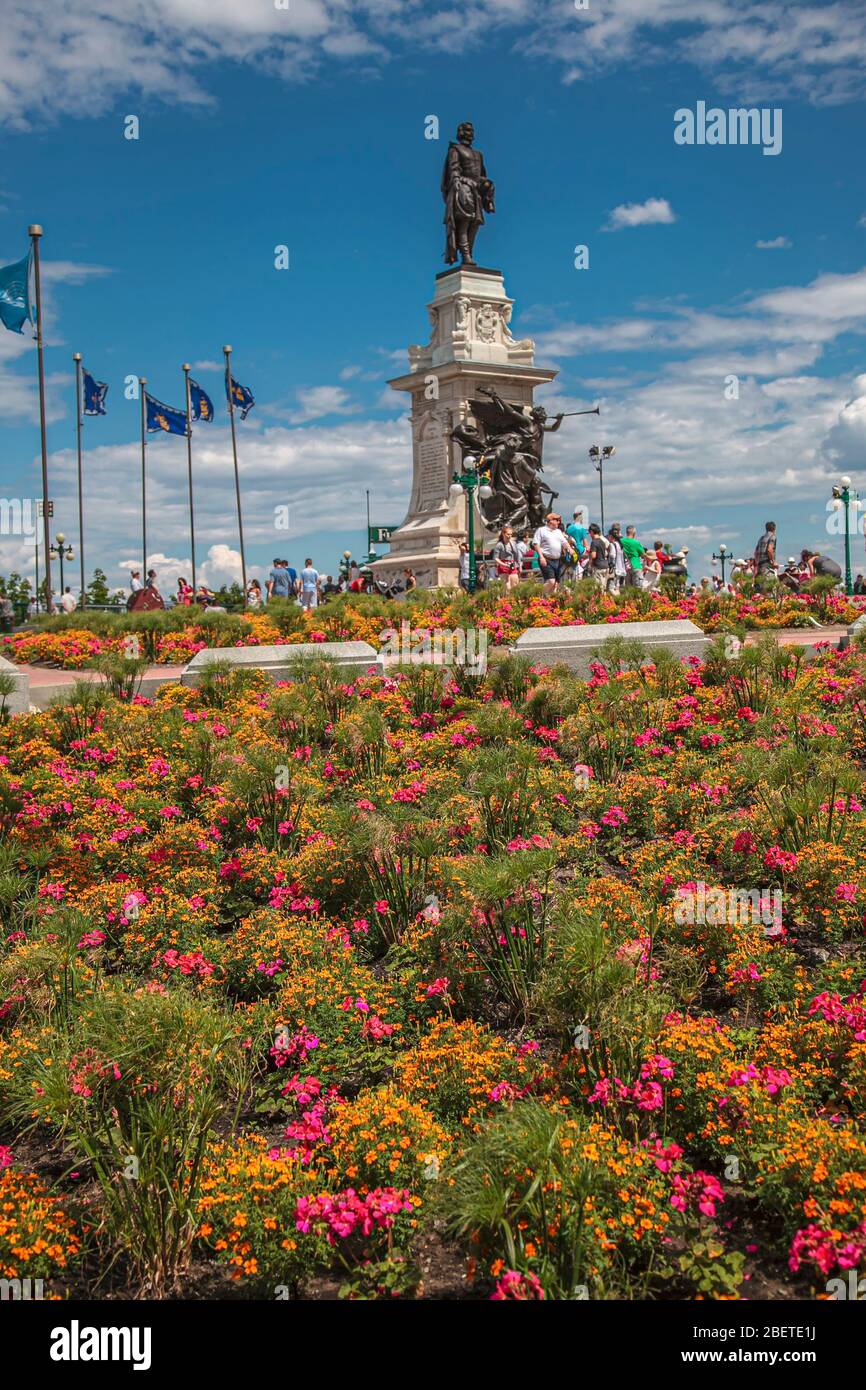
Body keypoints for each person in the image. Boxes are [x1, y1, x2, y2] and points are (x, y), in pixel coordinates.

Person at [531, 512, 574, 594]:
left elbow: (564, 542)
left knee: (555, 584)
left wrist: (569, 549)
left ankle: (549, 602)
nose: (559, 522)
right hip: (546, 559)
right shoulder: (541, 530)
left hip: (557, 561)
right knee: (551, 581)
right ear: (550, 521)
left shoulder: (558, 532)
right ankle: (537, 595)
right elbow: (536, 544)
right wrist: (541, 557)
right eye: (557, 520)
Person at [492, 526, 521, 591]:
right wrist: (503, 564)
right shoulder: (499, 545)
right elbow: (495, 558)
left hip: (512, 563)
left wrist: (519, 565)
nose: (510, 536)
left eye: (511, 534)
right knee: (507, 586)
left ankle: (514, 599)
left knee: (515, 583)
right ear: (503, 534)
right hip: (503, 564)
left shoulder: (513, 543)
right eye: (508, 534)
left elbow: (517, 555)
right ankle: (507, 600)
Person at [606, 524, 626, 594]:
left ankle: (618, 599)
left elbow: (612, 555)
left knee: (611, 588)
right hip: (621, 569)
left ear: (611, 536)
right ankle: (618, 603)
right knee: (617, 587)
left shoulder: (612, 544)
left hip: (614, 569)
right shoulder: (620, 544)